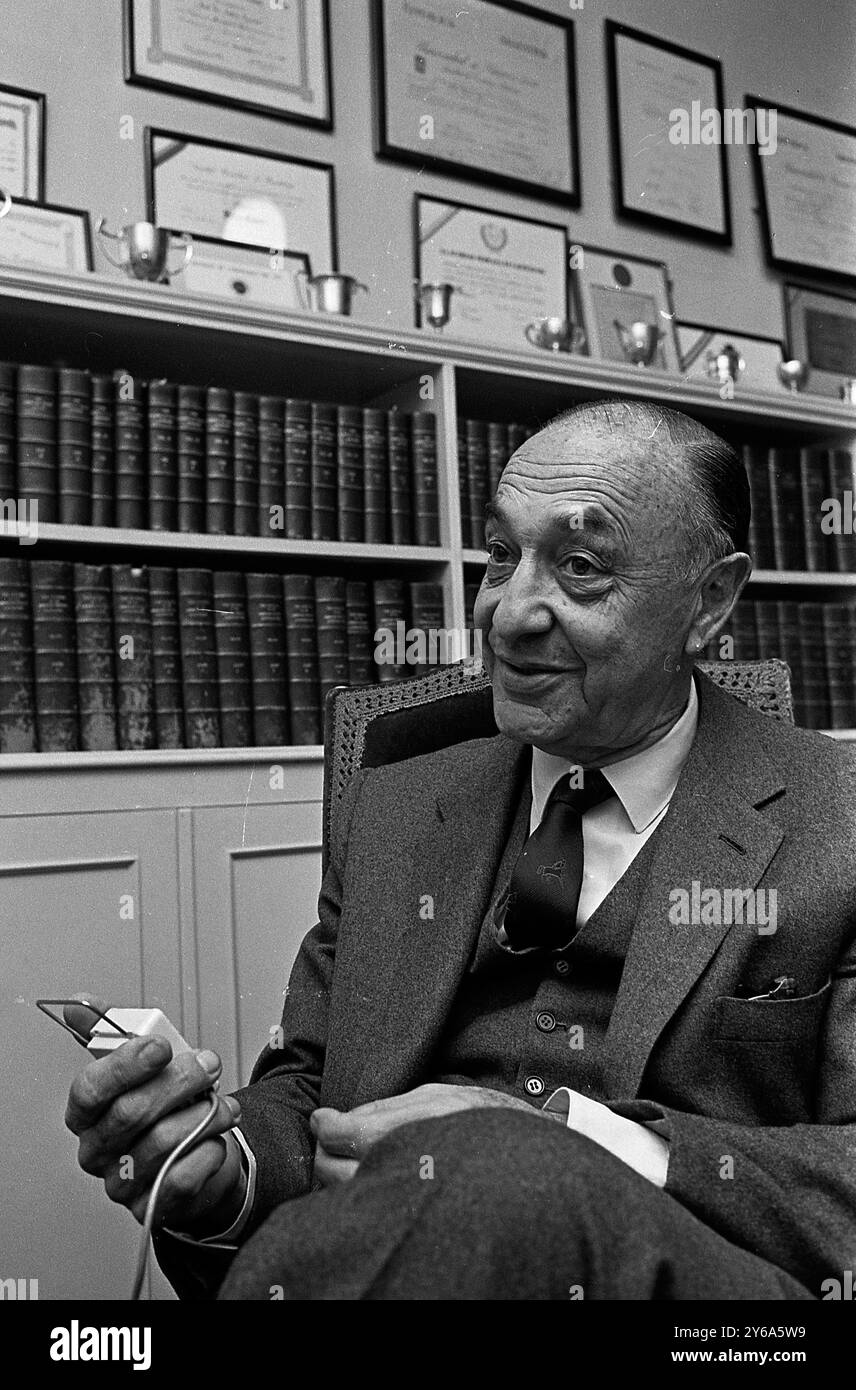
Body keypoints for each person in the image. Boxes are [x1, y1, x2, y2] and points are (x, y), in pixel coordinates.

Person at [64, 400, 856, 1300]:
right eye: (500, 556)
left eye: (581, 566)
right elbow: (308, 1090)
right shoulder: (400, 806)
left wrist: (566, 1144)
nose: (509, 613)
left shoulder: (841, 821)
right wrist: (226, 1171)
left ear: (710, 600)